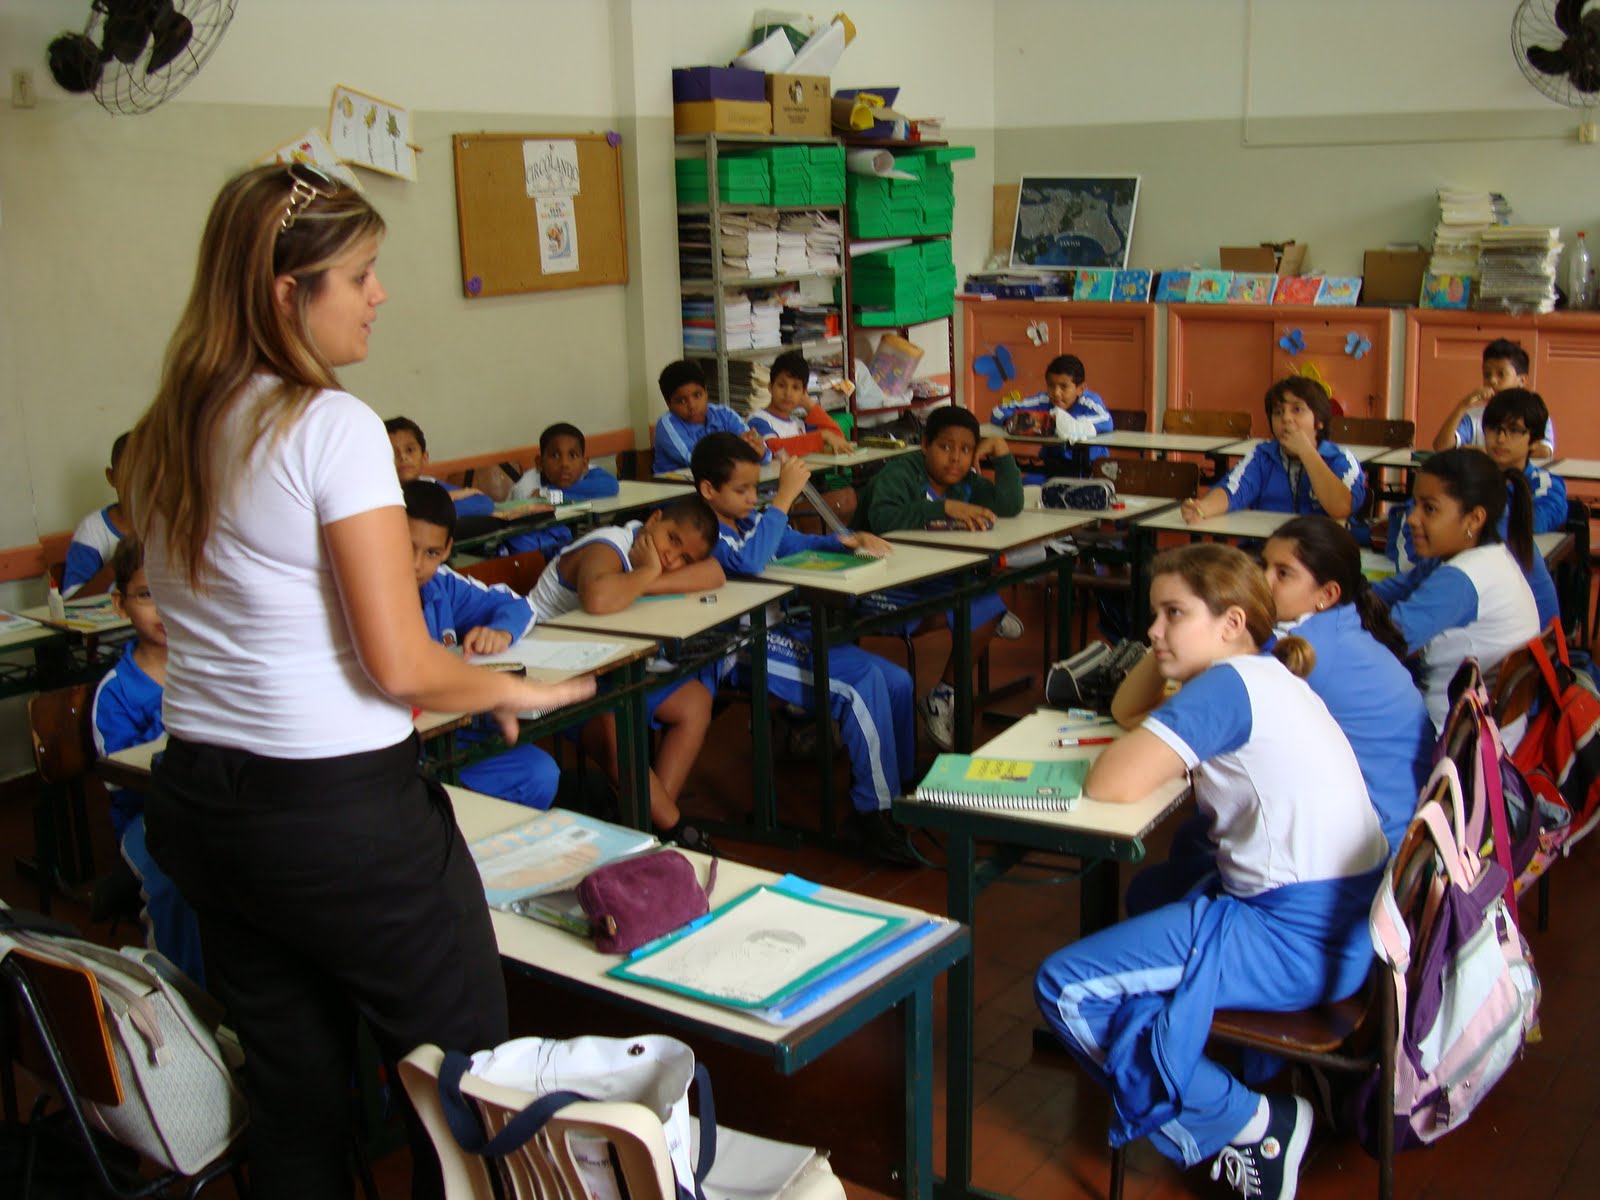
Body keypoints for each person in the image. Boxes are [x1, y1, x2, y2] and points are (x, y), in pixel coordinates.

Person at [121, 162, 595, 1200]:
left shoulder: (169, 428)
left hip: (206, 803)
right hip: (337, 824)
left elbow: (278, 638)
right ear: (286, 292)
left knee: (297, 1097)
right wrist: (515, 690)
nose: (379, 294)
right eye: (362, 273)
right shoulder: (327, 424)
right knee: (464, 1082)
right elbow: (395, 660)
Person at [1036, 544, 1387, 1200]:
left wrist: (1168, 663)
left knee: (1067, 988)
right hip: (1346, 925)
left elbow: (1112, 780)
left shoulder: (1228, 688)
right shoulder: (1261, 671)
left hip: (1294, 939)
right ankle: (1182, 1062)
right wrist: (1171, 650)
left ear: (1231, 624)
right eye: (1152, 616)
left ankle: (1257, 1122)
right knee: (1152, 893)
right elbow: (1127, 716)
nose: (1152, 632)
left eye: (1172, 614)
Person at [689, 432, 915, 862]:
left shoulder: (750, 519)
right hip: (743, 644)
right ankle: (872, 813)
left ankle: (897, 794)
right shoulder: (703, 531)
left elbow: (792, 543)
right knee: (859, 685)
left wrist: (845, 540)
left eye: (757, 488)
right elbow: (753, 561)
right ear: (708, 490)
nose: (753, 498)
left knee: (896, 681)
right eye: (742, 490)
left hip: (783, 632)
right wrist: (782, 499)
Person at [526, 496, 725, 849]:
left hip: (604, 668)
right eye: (672, 540)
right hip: (551, 679)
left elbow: (714, 573)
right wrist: (649, 572)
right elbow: (599, 598)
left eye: (684, 559)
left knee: (693, 700)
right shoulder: (609, 542)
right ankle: (676, 830)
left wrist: (646, 578)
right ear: (654, 518)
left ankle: (642, 822)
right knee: (616, 725)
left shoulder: (651, 553)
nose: (671, 559)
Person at [855, 405, 1025, 748]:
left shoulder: (965, 482)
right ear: (925, 445)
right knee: (981, 604)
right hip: (877, 585)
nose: (956, 459)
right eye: (946, 447)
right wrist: (943, 508)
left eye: (966, 450)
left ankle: (943, 695)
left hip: (926, 577)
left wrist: (1003, 454)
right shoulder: (901, 474)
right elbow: (883, 519)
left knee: (980, 601)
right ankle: (989, 614)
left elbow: (1009, 505)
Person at [1260, 518, 1433, 856]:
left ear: (1327, 594)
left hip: (1376, 840)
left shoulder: (1306, 651)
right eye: (1262, 565)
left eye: (1283, 573)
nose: (1262, 581)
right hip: (1404, 818)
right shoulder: (1338, 626)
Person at [405, 479, 561, 810]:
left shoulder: (441, 585)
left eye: (431, 552)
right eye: (406, 547)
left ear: (447, 550)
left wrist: (501, 632)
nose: (416, 564)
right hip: (403, 749)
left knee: (539, 773)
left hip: (454, 732)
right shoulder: (365, 598)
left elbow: (518, 605)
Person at [90, 538, 204, 984]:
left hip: (210, 806)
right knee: (175, 885)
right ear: (120, 604)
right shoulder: (116, 692)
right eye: (146, 594)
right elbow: (122, 779)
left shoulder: (208, 666)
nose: (164, 609)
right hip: (149, 820)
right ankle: (179, 996)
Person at [1373, 448, 1541, 732]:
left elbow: (1385, 642)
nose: (1412, 519)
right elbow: (1389, 591)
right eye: (1414, 505)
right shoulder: (1477, 555)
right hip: (1484, 729)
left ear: (1474, 519)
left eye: (1429, 508)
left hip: (1451, 739)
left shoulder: (1461, 579)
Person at [1183, 377, 1364, 523]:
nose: (1286, 418)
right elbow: (1234, 490)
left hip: (1319, 554)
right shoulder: (1262, 456)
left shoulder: (1341, 459)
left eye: (1297, 410)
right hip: (1264, 547)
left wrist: (1306, 452)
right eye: (1278, 412)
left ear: (1319, 421)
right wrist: (1202, 508)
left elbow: (1341, 507)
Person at [502, 422, 622, 558]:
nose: (565, 464)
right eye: (555, 455)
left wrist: (549, 493)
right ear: (540, 463)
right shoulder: (526, 489)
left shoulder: (583, 471)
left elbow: (611, 485)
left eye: (572, 455)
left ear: (584, 464)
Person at [1430, 337, 1556, 458]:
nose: (1492, 380)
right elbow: (1442, 447)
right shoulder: (1473, 417)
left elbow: (1544, 451)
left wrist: (1489, 454)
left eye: (1501, 374)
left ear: (1521, 381)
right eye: (1487, 375)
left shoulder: (1533, 414)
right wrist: (1463, 405)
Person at [990, 353, 1113, 474]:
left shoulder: (1089, 402)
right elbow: (998, 411)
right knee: (1025, 488)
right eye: (1051, 385)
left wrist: (1069, 423)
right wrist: (1010, 421)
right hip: (1051, 467)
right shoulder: (1043, 400)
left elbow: (1107, 422)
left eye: (1064, 387)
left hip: (1089, 469)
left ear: (1080, 389)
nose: (1056, 393)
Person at [653, 359, 770, 474]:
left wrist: (760, 451)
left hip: (720, 484)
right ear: (669, 404)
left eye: (697, 395)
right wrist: (741, 452)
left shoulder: (725, 415)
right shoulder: (667, 426)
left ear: (706, 392)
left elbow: (764, 452)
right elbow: (696, 461)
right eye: (681, 401)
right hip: (675, 489)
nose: (692, 405)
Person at [385, 414, 496, 520]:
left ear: (424, 457)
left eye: (410, 450)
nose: (403, 457)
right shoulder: (381, 494)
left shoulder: (431, 484)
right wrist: (444, 500)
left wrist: (438, 503)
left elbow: (483, 504)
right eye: (392, 453)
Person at [61, 431, 131, 597]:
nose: (137, 483)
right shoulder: (93, 530)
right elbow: (70, 602)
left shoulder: (170, 524)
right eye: (128, 473)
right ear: (112, 477)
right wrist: (116, 565)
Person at [747, 350, 853, 453]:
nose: (788, 393)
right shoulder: (758, 420)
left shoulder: (798, 424)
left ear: (804, 392)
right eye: (781, 385)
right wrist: (822, 436)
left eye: (795, 387)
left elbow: (837, 437)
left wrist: (810, 405)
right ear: (770, 387)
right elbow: (773, 447)